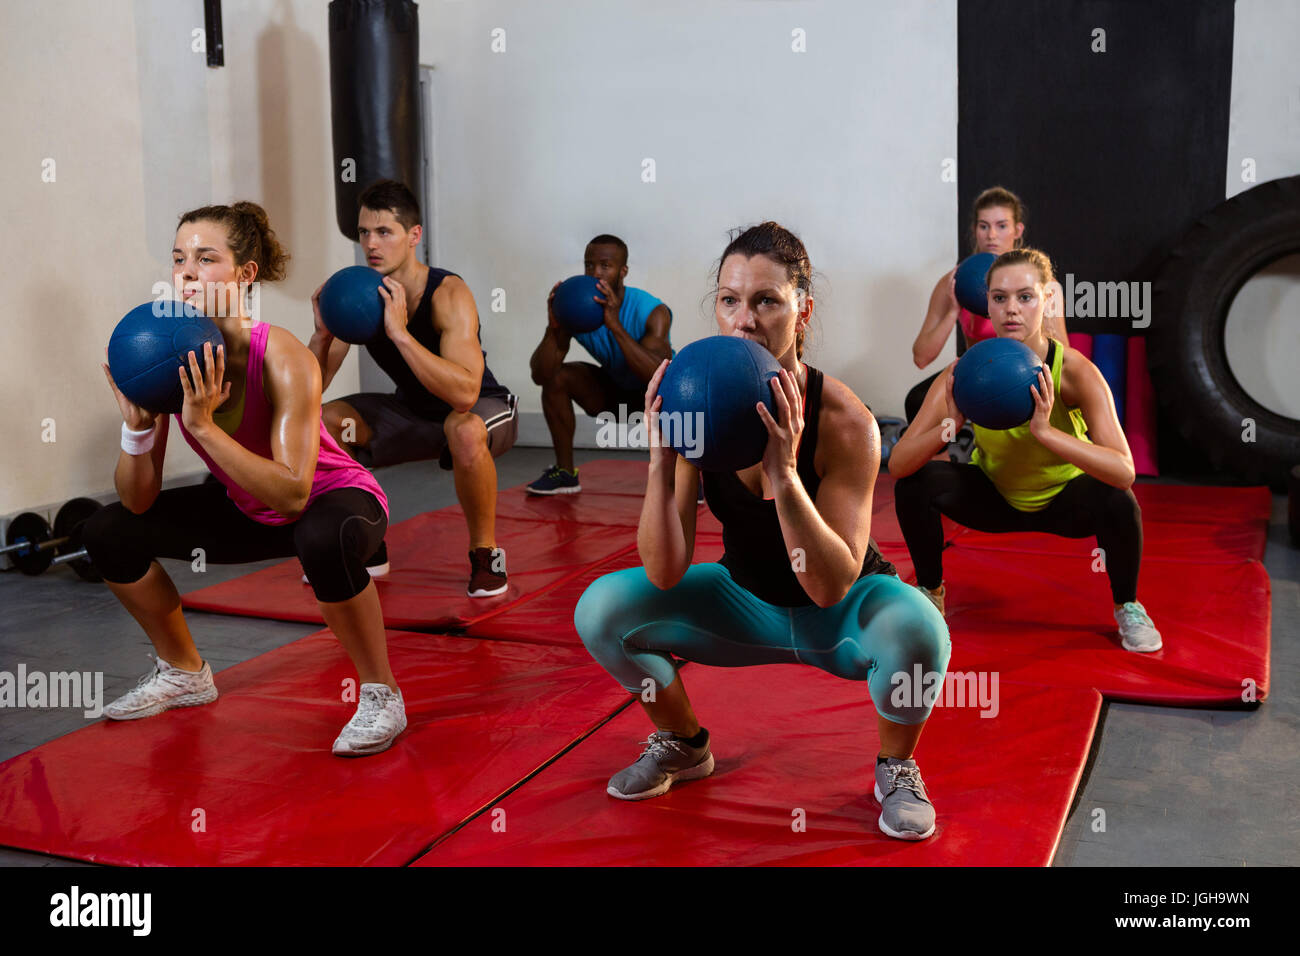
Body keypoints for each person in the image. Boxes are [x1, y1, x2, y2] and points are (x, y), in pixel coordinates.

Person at [573, 223, 951, 841]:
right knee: (601, 609)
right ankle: (683, 743)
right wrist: (662, 459)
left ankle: (896, 766)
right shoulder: (698, 402)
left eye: (766, 300)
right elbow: (664, 572)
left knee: (920, 629)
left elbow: (828, 586)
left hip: (842, 611)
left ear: (803, 310)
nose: (744, 320)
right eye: (730, 300)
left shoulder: (847, 421)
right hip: (743, 602)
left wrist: (783, 474)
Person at [87, 202, 406, 755]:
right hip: (250, 505)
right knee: (107, 530)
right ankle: (184, 672)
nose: (186, 273)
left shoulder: (280, 354)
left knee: (320, 536)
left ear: (245, 273)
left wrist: (203, 428)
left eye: (205, 259)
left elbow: (294, 494)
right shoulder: (166, 355)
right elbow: (137, 501)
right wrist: (136, 431)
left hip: (336, 501)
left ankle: (382, 693)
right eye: (179, 259)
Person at [888, 247, 1161, 653]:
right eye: (999, 297)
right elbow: (898, 464)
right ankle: (931, 593)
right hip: (994, 496)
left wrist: (1047, 433)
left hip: (1065, 500)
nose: (1011, 309)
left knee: (1119, 500)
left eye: (1025, 296)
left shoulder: (1075, 372)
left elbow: (1124, 470)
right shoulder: (965, 372)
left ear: (1047, 300)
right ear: (987, 303)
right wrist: (951, 427)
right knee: (916, 485)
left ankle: (1128, 605)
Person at [314, 179, 518, 597]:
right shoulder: (359, 294)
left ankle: (486, 554)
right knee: (324, 423)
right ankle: (368, 542)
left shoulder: (447, 292)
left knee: (463, 428)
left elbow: (464, 395)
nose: (371, 244)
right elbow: (307, 390)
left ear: (414, 235)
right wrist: (322, 335)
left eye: (384, 232)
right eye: (364, 232)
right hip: (412, 414)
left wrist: (401, 335)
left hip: (482, 410)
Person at [904, 187, 1068, 424]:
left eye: (1001, 226)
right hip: (979, 375)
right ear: (975, 230)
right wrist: (953, 310)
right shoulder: (954, 283)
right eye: (984, 226)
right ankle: (955, 445)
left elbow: (1062, 354)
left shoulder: (1041, 285)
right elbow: (922, 357)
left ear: (1017, 230)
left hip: (1023, 373)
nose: (991, 235)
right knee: (917, 400)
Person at [527, 235, 673, 494]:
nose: (596, 273)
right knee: (557, 377)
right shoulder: (577, 308)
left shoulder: (652, 310)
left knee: (680, 387)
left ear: (623, 271)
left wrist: (614, 325)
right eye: (589, 265)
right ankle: (565, 474)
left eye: (605, 266)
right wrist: (554, 328)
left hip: (656, 400)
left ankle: (679, 475)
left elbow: (656, 374)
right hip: (612, 394)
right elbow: (540, 375)